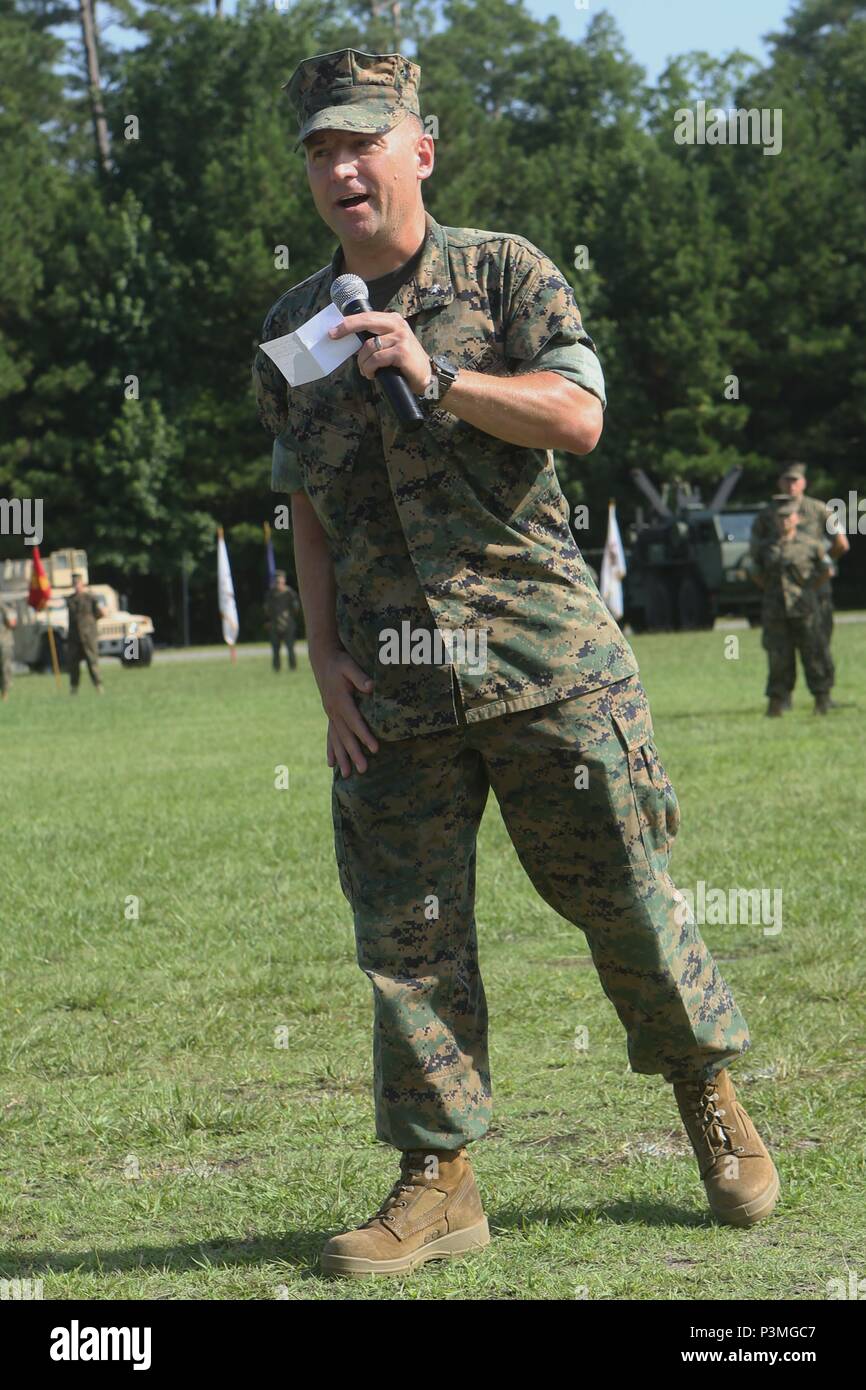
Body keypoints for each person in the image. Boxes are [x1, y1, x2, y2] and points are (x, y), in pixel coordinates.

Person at [252, 48, 779, 1279]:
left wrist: (435, 374)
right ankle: (437, 1179)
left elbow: (580, 417)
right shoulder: (291, 328)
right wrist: (322, 656)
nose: (340, 167)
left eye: (361, 141)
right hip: (391, 689)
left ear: (417, 149)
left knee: (626, 904)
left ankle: (707, 1101)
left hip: (546, 663)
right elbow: (302, 506)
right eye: (319, 150)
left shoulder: (503, 271)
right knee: (407, 939)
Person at [750, 462, 849, 707]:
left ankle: (823, 696)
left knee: (817, 644)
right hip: (778, 591)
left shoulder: (819, 509)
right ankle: (783, 698)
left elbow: (841, 543)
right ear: (779, 482)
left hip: (814, 591)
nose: (791, 485)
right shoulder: (766, 515)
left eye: (795, 480)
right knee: (780, 648)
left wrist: (816, 568)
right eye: (786, 480)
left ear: (804, 482)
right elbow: (754, 557)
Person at [751, 497, 833, 716]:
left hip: (805, 610)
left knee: (814, 654)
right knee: (778, 658)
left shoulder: (811, 544)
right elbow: (754, 572)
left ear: (797, 519)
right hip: (775, 612)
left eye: (788, 517)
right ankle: (776, 703)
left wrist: (810, 589)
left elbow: (827, 570)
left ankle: (822, 700)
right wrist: (770, 590)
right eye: (780, 518)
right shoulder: (765, 547)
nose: (784, 521)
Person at [66, 573, 105, 695]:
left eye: (77, 583)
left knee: (92, 661)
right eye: (74, 584)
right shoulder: (70, 600)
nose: (76, 586)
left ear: (82, 584)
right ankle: (74, 688)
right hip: (74, 636)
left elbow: (99, 614)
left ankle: (98, 686)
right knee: (73, 664)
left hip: (89, 635)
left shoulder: (90, 598)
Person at [264, 570, 299, 671]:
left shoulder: (290, 593)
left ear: (284, 581)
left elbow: (296, 608)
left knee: (290, 648)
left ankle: (293, 668)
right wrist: (267, 621)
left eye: (280, 581)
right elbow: (266, 609)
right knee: (275, 650)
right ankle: (276, 669)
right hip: (275, 625)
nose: (278, 583)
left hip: (288, 625)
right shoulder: (270, 594)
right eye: (277, 581)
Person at [0, 601, 17, 702]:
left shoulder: (6, 607)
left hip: (4, 643)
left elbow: (12, 624)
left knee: (5, 668)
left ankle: (5, 693)